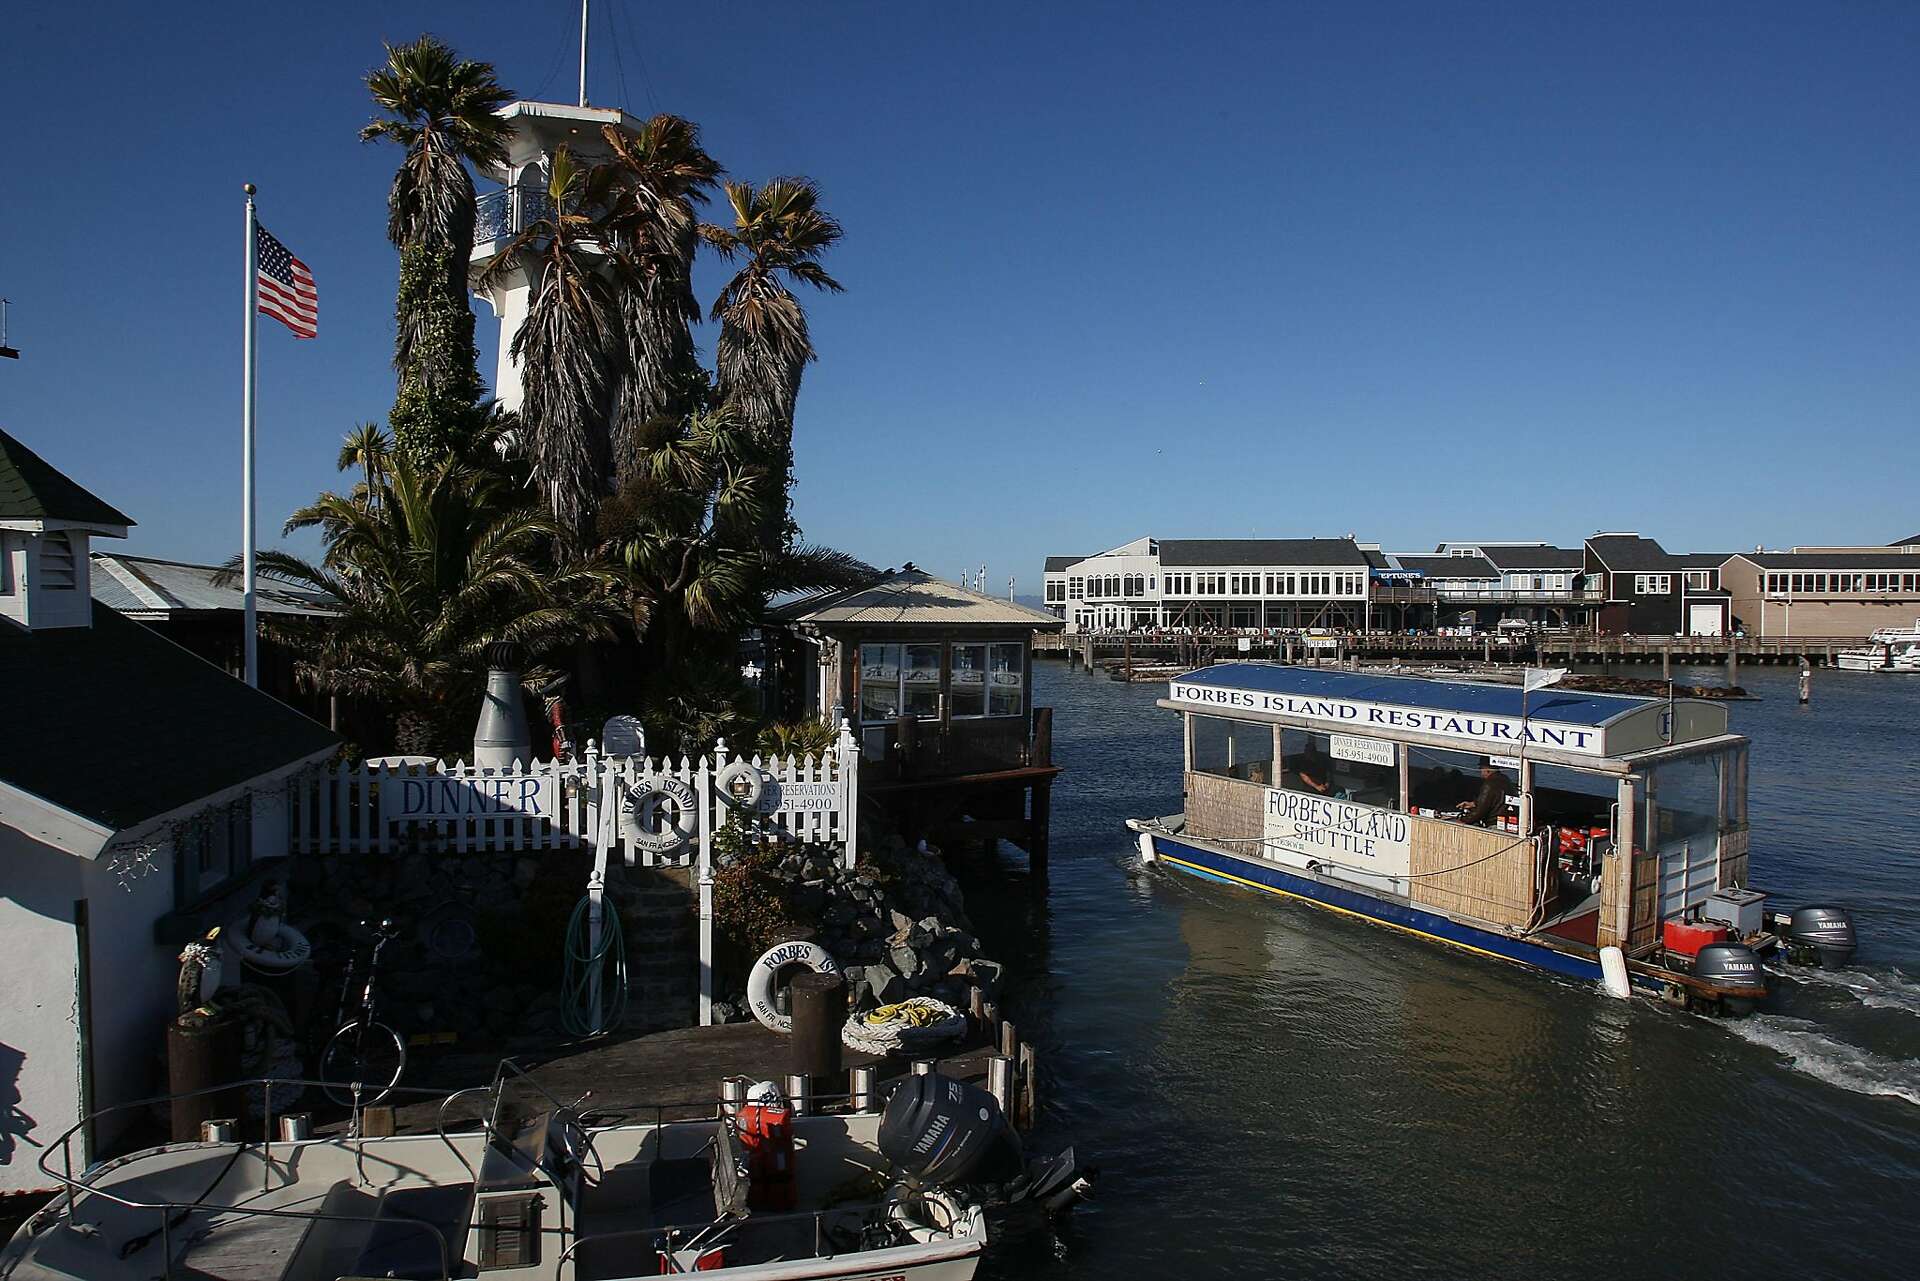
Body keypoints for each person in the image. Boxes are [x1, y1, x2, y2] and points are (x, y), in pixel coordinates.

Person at [1456, 760, 1511, 827]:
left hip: (1493, 823)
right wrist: (1474, 803)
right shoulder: (1506, 780)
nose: (1481, 773)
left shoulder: (1489, 785)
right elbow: (1495, 800)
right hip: (1505, 822)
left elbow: (1480, 811)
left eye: (1481, 769)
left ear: (1487, 770)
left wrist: (1464, 820)